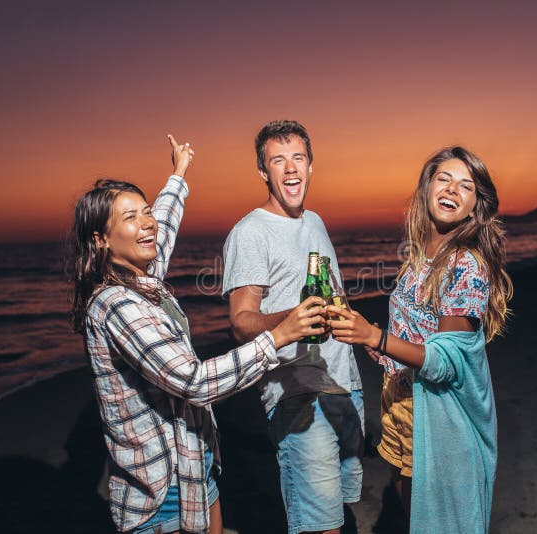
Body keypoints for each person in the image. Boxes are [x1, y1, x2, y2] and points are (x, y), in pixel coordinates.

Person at [69, 135, 326, 534]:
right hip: (159, 490)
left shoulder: (143, 277)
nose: (147, 222)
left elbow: (164, 225)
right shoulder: (116, 304)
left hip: (195, 463)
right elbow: (192, 382)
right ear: (101, 239)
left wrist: (179, 172)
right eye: (130, 217)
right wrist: (277, 337)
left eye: (146, 211)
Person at [327, 146, 513, 533]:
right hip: (399, 402)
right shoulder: (421, 255)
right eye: (444, 178)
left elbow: (446, 363)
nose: (452, 189)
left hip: (438, 414)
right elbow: (409, 337)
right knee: (415, 514)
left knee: (440, 522)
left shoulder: (466, 265)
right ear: (427, 187)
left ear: (475, 205)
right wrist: (362, 334)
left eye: (466, 186)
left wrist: (375, 336)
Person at [222, 120, 364, 534]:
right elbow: (240, 321)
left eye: (297, 158)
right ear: (263, 172)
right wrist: (291, 319)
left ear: (311, 166)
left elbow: (334, 292)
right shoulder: (250, 233)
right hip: (299, 394)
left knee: (340, 506)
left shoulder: (315, 221)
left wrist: (361, 332)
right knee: (321, 524)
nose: (289, 169)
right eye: (277, 160)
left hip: (344, 383)